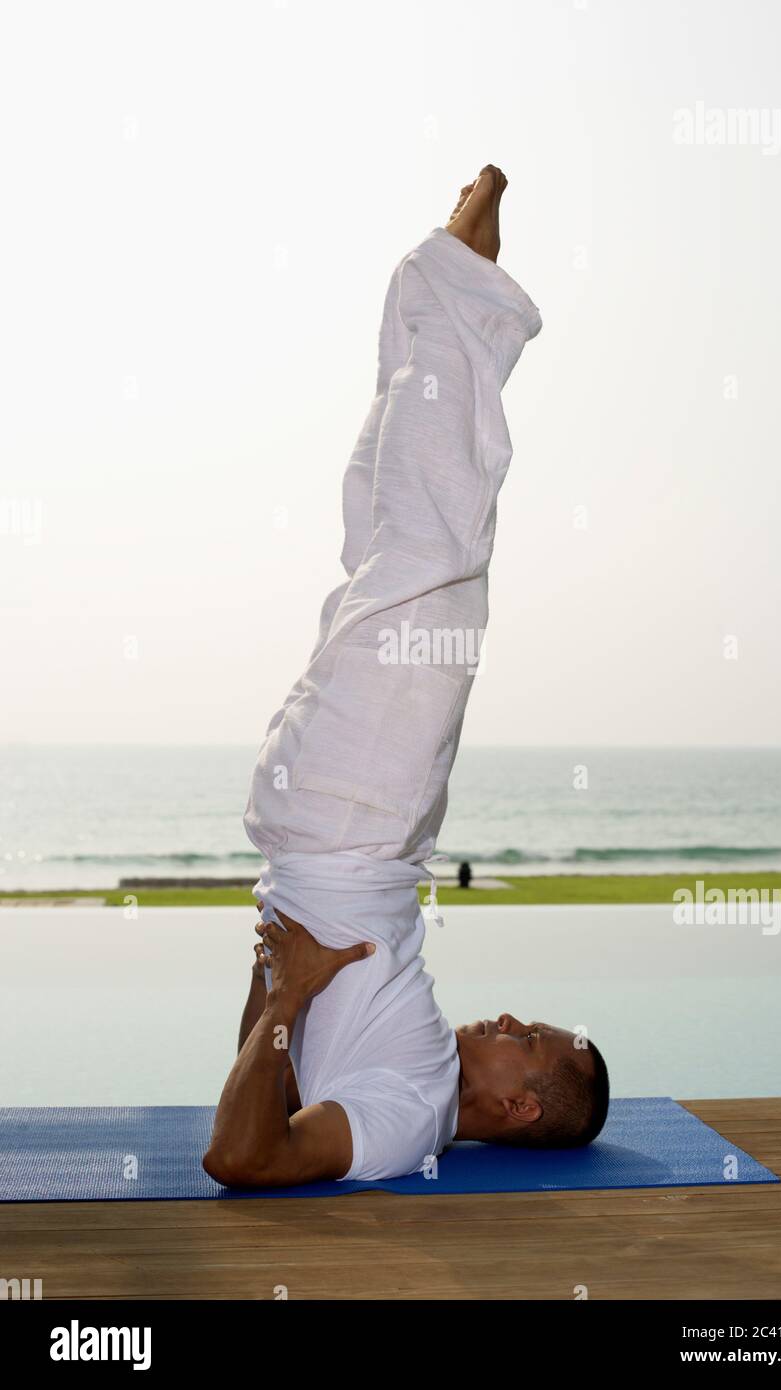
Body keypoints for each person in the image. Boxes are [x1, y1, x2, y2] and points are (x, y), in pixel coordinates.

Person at [203, 167, 609, 1188]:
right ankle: (431, 295)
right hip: (353, 827)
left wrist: (286, 994)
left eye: (532, 1038)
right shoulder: (408, 1065)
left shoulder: (409, 1114)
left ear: (517, 1106)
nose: (510, 1017)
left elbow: (243, 1155)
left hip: (351, 819)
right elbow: (271, 1071)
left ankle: (462, 279)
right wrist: (275, 985)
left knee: (436, 567)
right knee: (387, 548)